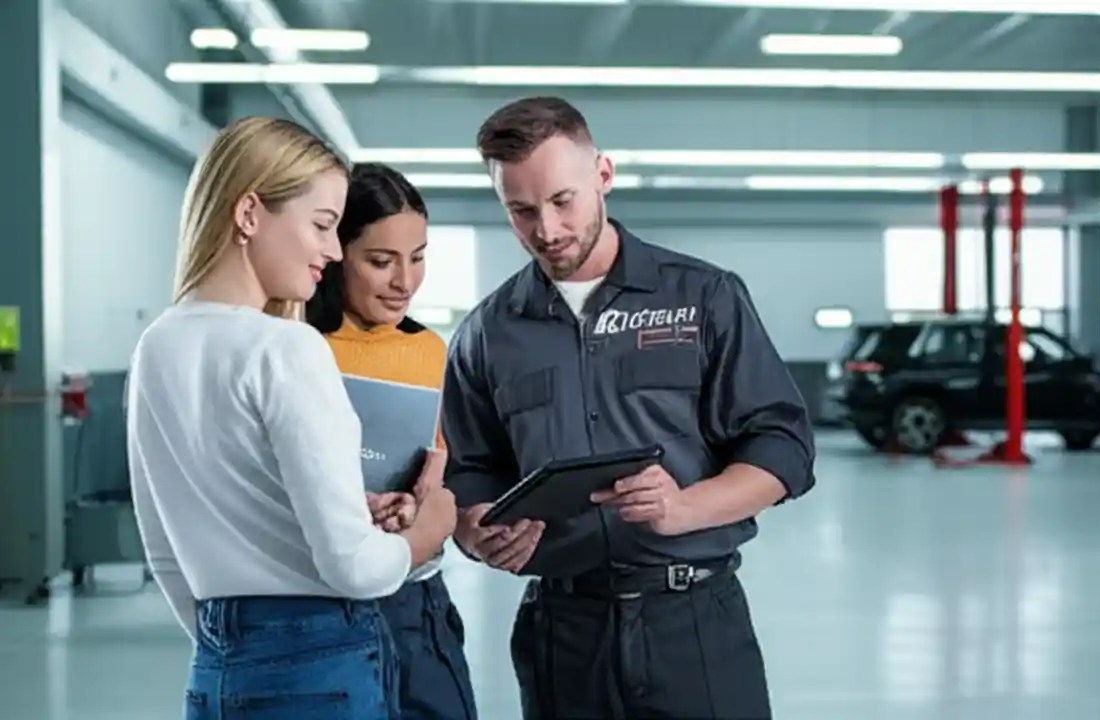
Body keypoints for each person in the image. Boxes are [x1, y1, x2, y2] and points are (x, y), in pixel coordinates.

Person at [440, 96, 817, 719]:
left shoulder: (704, 297)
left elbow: (783, 447)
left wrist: (683, 507)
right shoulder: (487, 332)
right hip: (564, 628)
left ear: (603, 176)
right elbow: (471, 468)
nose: (547, 230)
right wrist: (476, 530)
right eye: (521, 211)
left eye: (563, 201)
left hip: (693, 622)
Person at [126, 116, 457, 719]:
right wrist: (425, 534)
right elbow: (353, 568)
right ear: (250, 214)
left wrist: (236, 648)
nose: (333, 252)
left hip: (216, 669)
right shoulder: (289, 346)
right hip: (322, 661)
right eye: (324, 226)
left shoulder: (157, 344)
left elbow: (166, 553)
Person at [306, 162, 478, 720]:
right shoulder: (295, 344)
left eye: (418, 256)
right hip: (320, 597)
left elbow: (436, 456)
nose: (405, 280)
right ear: (336, 254)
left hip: (414, 596)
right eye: (381, 261)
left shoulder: (428, 350)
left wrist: (424, 494)